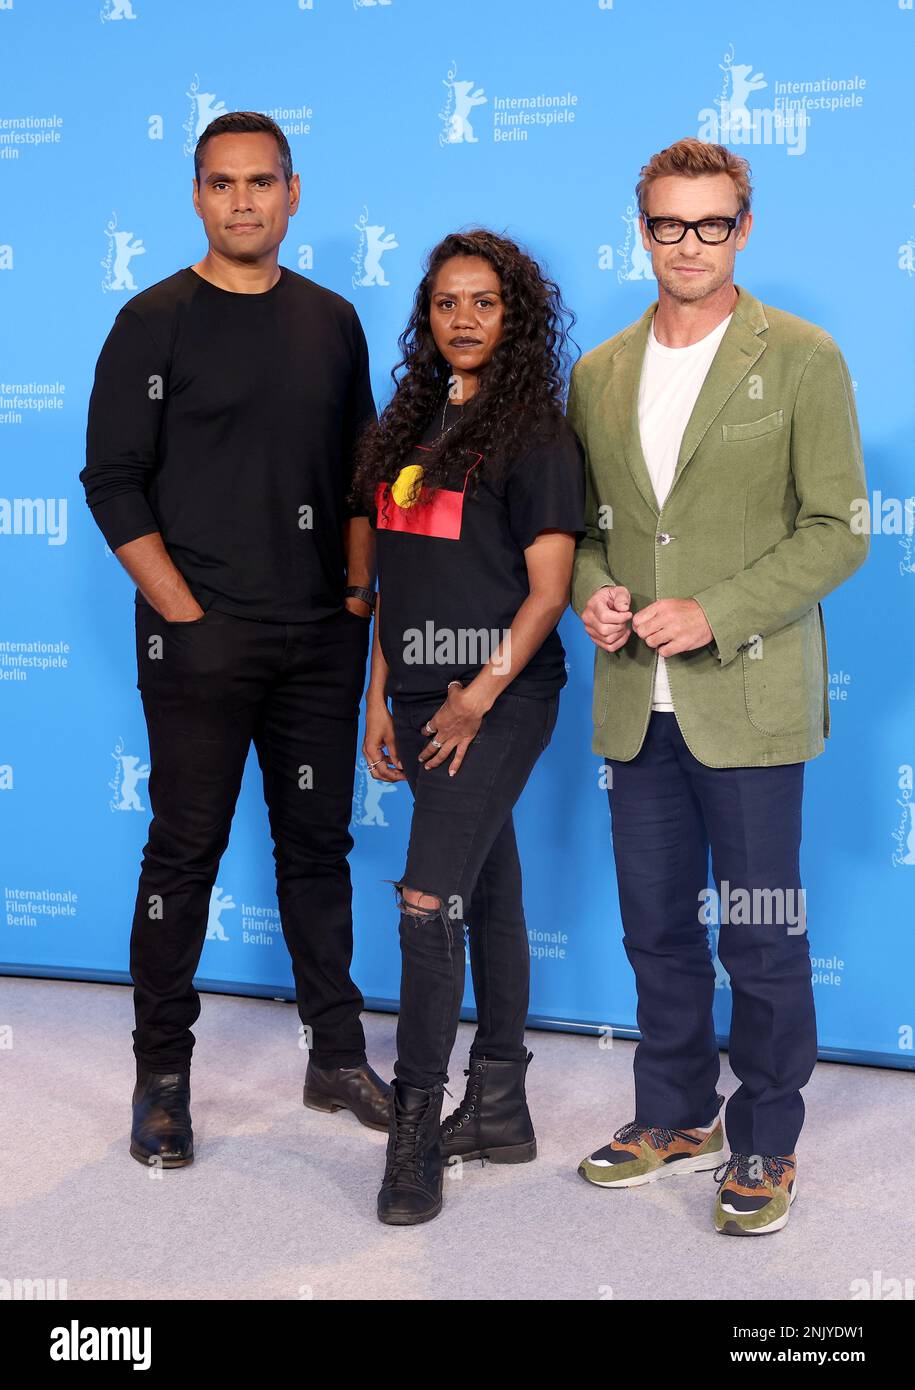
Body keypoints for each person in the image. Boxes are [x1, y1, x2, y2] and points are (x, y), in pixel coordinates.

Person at [80, 111, 390, 1169]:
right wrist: (183, 612)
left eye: (262, 182)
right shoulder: (151, 320)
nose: (243, 200)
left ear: (294, 194)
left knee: (318, 849)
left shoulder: (334, 321)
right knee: (184, 853)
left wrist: (356, 597)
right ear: (198, 196)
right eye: (222, 183)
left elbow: (361, 473)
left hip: (319, 641)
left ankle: (336, 1054)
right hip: (200, 642)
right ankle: (162, 1079)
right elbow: (111, 479)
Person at [568, 139, 867, 1235]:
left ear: (744, 228)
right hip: (630, 699)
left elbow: (839, 530)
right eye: (667, 224)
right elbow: (589, 532)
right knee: (656, 929)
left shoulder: (801, 356)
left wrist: (718, 611)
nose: (688, 244)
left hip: (745, 695)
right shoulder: (598, 371)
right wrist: (595, 596)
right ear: (640, 228)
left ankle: (766, 1138)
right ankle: (675, 1114)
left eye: (711, 224)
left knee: (761, 930)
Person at [352, 230, 584, 1225]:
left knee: (424, 899)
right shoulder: (409, 425)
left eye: (484, 302)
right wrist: (379, 695)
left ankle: (417, 1121)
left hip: (499, 694)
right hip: (415, 690)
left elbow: (548, 592)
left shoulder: (536, 433)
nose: (463, 319)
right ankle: (499, 1102)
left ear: (514, 314)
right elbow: (396, 581)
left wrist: (478, 694)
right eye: (447, 302)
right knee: (488, 880)